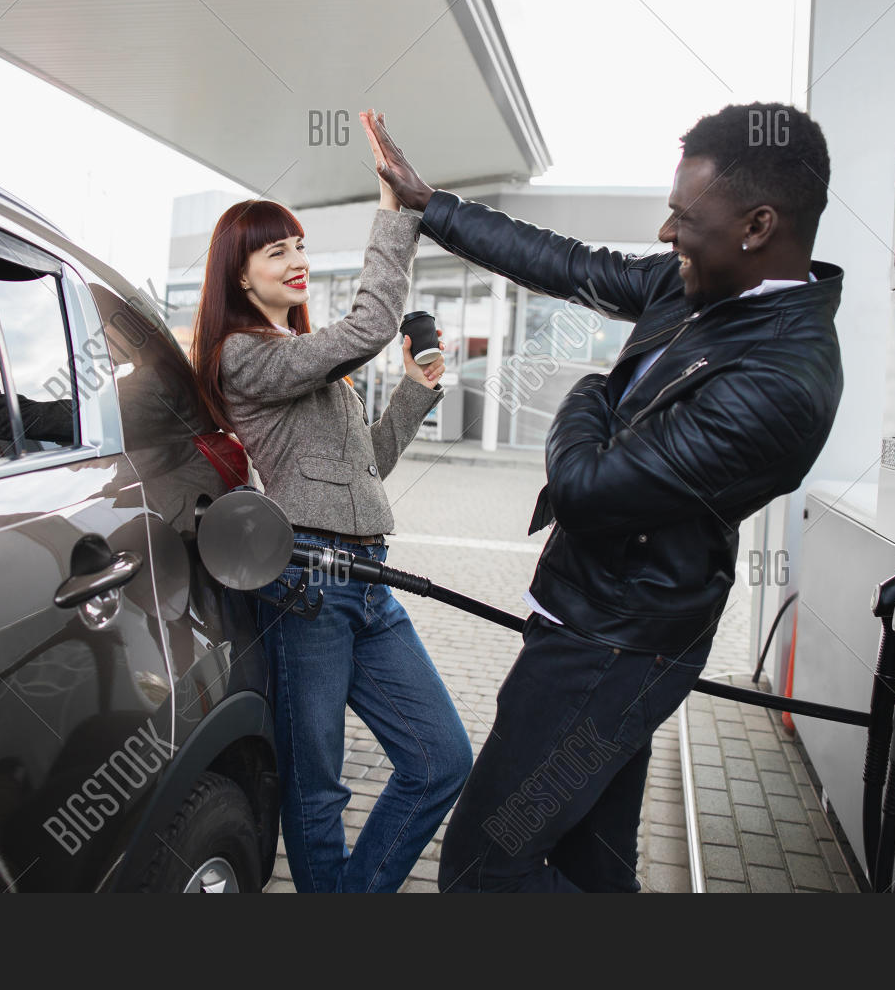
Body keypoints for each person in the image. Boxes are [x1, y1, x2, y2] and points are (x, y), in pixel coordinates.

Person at [362, 103, 845, 892]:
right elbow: (566, 263)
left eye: (683, 217)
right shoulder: (697, 286)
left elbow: (586, 493)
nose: (664, 235)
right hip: (596, 629)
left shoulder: (783, 379)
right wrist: (431, 206)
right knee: (593, 861)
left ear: (758, 227)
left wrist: (588, 391)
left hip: (609, 654)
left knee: (486, 869)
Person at [189, 111, 471, 892]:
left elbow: (368, 470)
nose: (297, 260)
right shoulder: (244, 357)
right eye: (276, 250)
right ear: (238, 276)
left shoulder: (307, 365)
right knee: (319, 787)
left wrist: (416, 394)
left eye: (301, 246)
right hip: (308, 587)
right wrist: (395, 210)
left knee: (441, 758)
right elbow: (373, 323)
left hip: (368, 582)